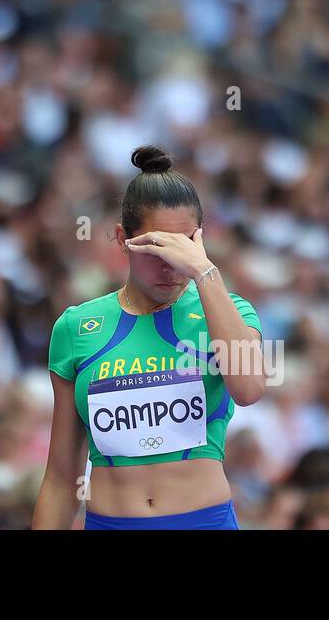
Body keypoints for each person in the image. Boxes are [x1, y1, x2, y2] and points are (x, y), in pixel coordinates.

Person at [33, 145, 266, 530]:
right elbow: (60, 478)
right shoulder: (77, 327)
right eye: (157, 247)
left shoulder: (228, 311)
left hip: (203, 522)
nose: (171, 265)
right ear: (123, 239)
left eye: (184, 248)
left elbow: (249, 388)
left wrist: (204, 271)